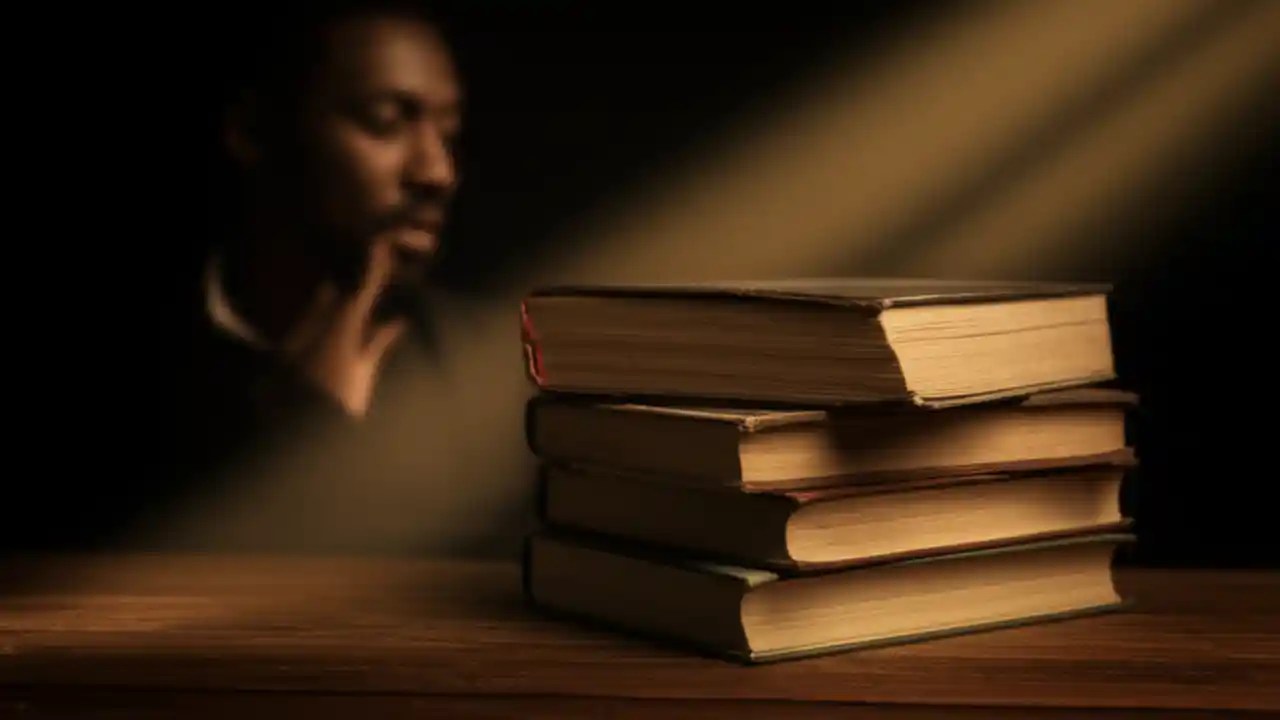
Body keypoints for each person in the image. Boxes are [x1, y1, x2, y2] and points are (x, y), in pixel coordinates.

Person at [171, 0, 465, 532]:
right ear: (255, 129)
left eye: (448, 133)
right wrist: (298, 435)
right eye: (386, 121)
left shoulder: (490, 370)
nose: (438, 171)